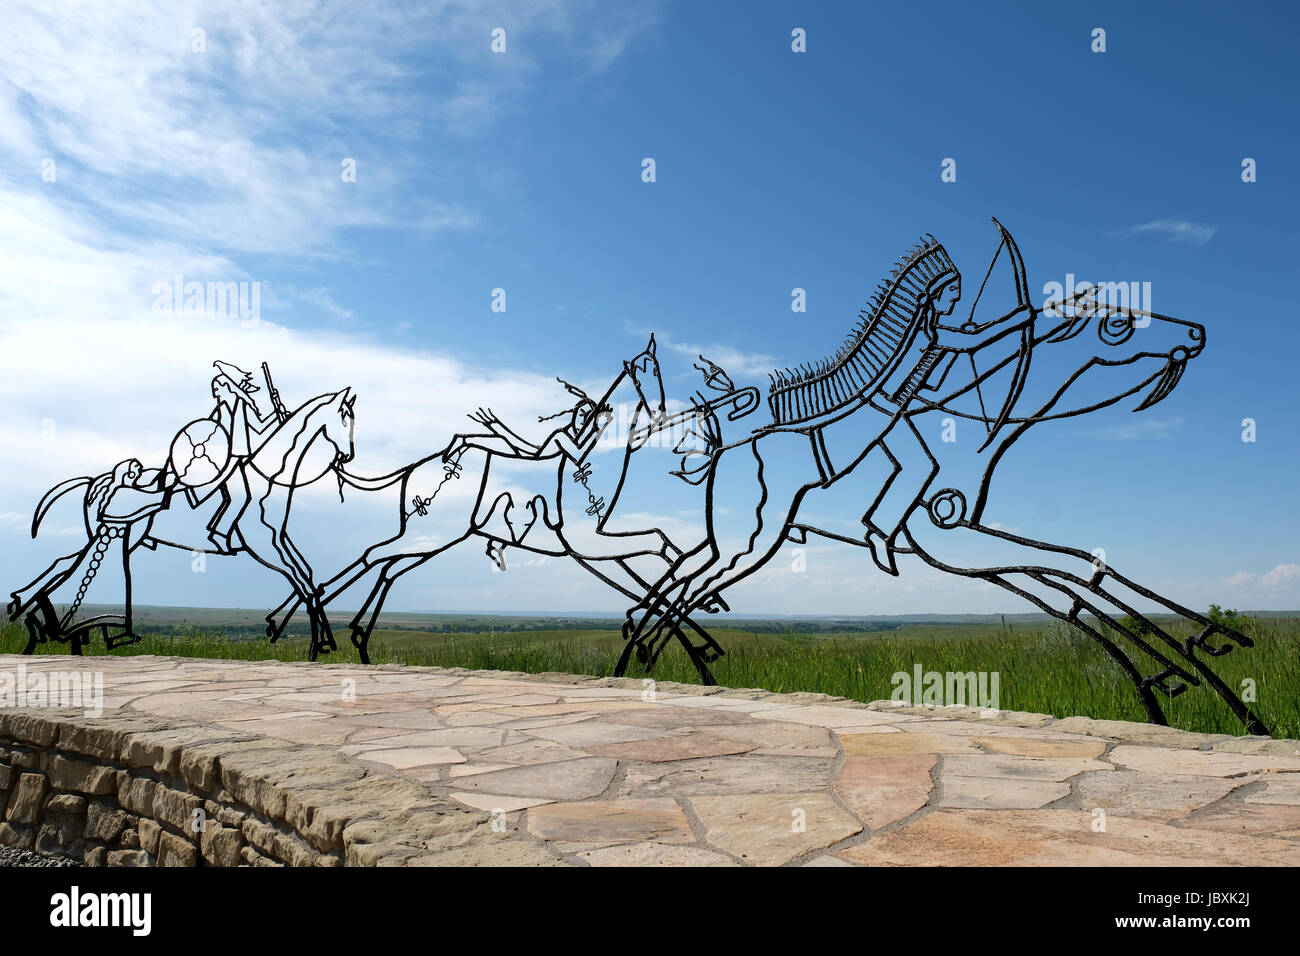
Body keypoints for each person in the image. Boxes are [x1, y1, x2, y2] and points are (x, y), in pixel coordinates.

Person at [206, 361, 279, 553]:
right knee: (239, 498)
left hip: (235, 459)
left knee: (241, 498)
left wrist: (279, 416)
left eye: (217, 388)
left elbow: (261, 428)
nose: (215, 393)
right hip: (224, 460)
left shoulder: (241, 406)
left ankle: (221, 533)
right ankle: (219, 534)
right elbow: (210, 435)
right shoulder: (220, 411)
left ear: (228, 387)